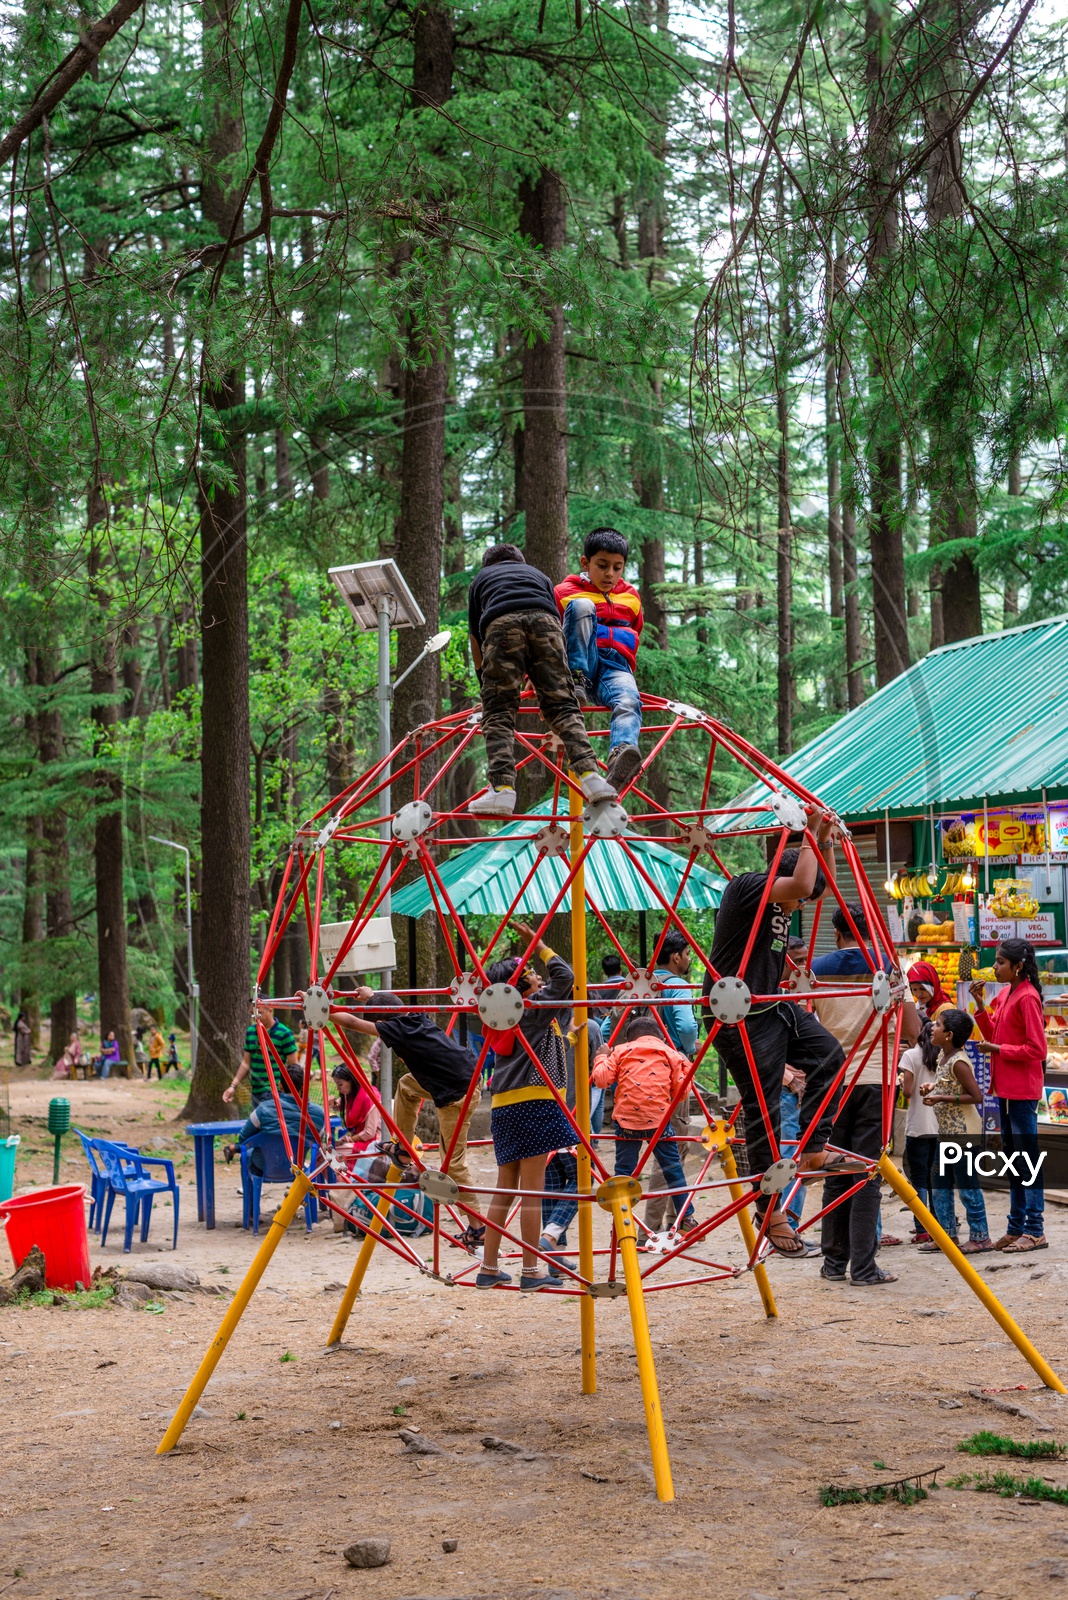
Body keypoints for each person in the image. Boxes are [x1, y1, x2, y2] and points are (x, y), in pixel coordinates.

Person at [706, 811, 856, 1258]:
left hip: (773, 1006)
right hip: (738, 1012)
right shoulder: (749, 888)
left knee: (830, 1056)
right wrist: (808, 832)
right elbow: (803, 884)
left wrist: (823, 838)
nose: (801, 907)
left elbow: (812, 882)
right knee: (764, 1109)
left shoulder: (784, 894)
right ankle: (770, 1212)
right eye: (801, 901)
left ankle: (811, 1150)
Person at [323, 988, 484, 1248]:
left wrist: (324, 1008)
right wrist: (369, 997)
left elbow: (352, 1022)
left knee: (452, 1166)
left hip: (457, 1095)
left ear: (383, 1023)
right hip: (461, 1077)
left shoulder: (395, 1029)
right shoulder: (413, 1017)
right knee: (407, 1085)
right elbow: (388, 1006)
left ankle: (479, 1228)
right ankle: (404, 1148)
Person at [466, 544, 617, 818]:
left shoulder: (481, 580)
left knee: (499, 711)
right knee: (563, 706)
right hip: (547, 627)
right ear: (519, 561)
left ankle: (502, 790)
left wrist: (485, 687)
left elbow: (477, 640)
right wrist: (539, 674)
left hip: (501, 626)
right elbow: (550, 627)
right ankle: (591, 776)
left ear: (488, 565)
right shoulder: (538, 575)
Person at [809, 903, 918, 1281]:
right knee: (867, 1174)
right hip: (875, 1079)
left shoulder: (817, 969)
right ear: (870, 929)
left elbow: (807, 1024)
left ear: (837, 932)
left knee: (836, 1173)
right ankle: (865, 1267)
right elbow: (912, 1028)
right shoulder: (886, 966)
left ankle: (833, 1264)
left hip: (832, 1083)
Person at [478, 921, 578, 1289]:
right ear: (520, 988)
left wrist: (568, 1037)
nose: (540, 978)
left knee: (506, 1188)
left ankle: (488, 1267)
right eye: (533, 975)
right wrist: (538, 945)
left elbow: (543, 1046)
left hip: (504, 1107)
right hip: (535, 1105)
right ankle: (532, 1270)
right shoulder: (531, 1010)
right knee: (532, 1191)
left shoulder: (501, 1018)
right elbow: (564, 977)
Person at [970, 938, 1048, 1252]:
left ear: (1018, 966)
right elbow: (992, 1035)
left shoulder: (1028, 997)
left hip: (1021, 1090)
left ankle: (1035, 1229)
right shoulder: (1005, 994)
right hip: (1004, 1089)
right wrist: (979, 1005)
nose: (995, 967)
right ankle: (1016, 1227)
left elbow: (1037, 1049)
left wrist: (999, 1049)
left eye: (1001, 962)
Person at [555, 527, 645, 793]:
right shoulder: (564, 591)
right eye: (603, 565)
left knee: (629, 700)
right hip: (582, 660)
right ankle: (577, 680)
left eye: (618, 568)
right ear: (586, 563)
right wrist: (532, 677)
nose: (610, 574)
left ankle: (622, 753)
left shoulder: (631, 597)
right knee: (583, 607)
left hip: (615, 666)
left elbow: (635, 630)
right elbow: (546, 636)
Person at [592, 1016, 697, 1233]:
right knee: (673, 1169)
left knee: (624, 1173)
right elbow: (682, 1092)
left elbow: (601, 1080)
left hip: (627, 1122)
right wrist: (684, 1063)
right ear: (660, 1036)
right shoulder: (670, 1053)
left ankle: (621, 1223)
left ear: (630, 1038)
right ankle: (686, 1216)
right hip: (658, 1124)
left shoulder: (621, 1051)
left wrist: (602, 1057)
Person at [918, 1007, 992, 1254]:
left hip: (964, 1137)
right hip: (947, 1135)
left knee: (968, 1187)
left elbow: (976, 1096)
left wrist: (940, 1097)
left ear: (948, 1035)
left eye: (937, 1025)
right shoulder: (943, 1056)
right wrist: (933, 1087)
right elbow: (946, 1084)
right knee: (939, 1185)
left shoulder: (959, 1062)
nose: (932, 1028)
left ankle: (981, 1237)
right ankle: (946, 1236)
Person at [223, 1064, 326, 1173]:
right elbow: (318, 1142)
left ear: (280, 1085)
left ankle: (251, 1189)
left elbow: (243, 1138)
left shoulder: (263, 1109)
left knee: (247, 1154)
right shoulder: (318, 1114)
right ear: (304, 1086)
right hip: (297, 1168)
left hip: (263, 1168)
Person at [899, 1021, 939, 1243]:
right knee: (936, 1179)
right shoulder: (944, 1056)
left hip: (917, 1127)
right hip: (939, 1126)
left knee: (918, 1180)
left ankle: (922, 1229)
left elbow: (907, 1092)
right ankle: (938, 1227)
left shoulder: (911, 1056)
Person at [224, 1001, 299, 1106]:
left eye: (259, 1013)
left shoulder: (284, 1033)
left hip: (276, 1091)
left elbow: (294, 1066)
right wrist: (233, 1086)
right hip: (256, 1091)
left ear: (270, 1010)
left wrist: (294, 1092)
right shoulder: (251, 1031)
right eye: (252, 1013)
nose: (255, 1017)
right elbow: (246, 1063)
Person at [653, 930, 699, 1057]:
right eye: (687, 954)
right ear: (676, 957)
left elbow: (606, 1029)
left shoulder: (641, 984)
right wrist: (691, 1049)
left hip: (638, 1064)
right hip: (671, 1060)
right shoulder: (678, 985)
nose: (689, 959)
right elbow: (687, 1027)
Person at [332, 1062, 382, 1155]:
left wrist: (347, 1140)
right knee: (326, 1152)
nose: (338, 1089)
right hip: (358, 1137)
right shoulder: (352, 1094)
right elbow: (339, 1105)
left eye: (340, 1084)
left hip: (373, 1142)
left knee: (330, 1156)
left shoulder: (370, 1098)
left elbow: (369, 1133)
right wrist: (333, 1103)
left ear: (351, 1080)